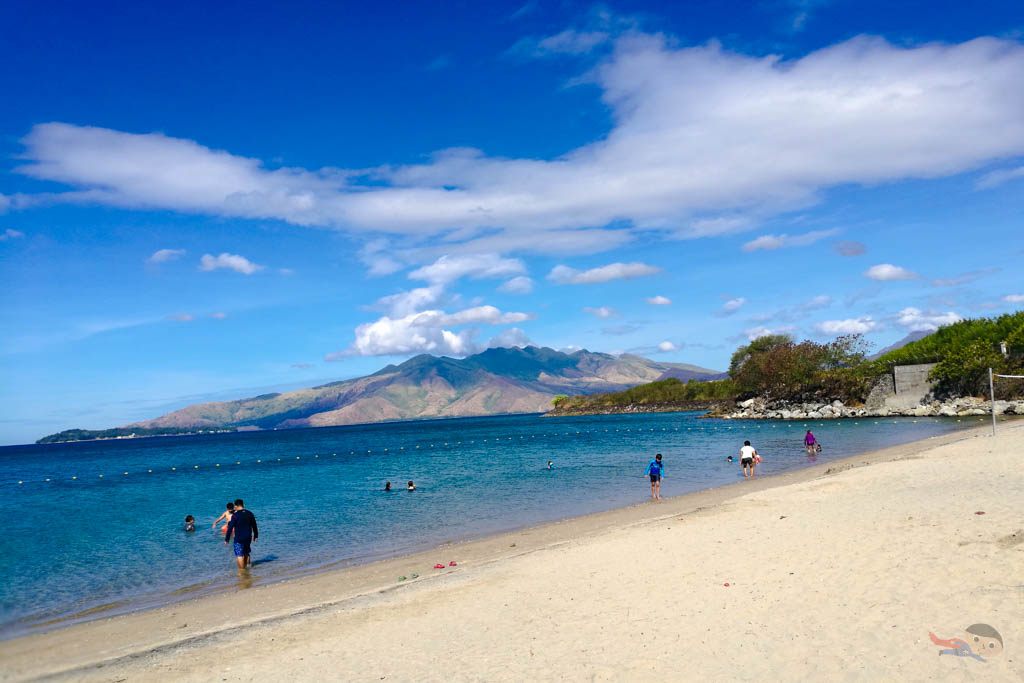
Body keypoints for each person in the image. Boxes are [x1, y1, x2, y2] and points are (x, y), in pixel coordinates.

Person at [224, 498, 258, 569]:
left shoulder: (235, 515)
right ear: (243, 505)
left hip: (239, 538)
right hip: (248, 537)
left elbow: (230, 528)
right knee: (246, 553)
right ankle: (249, 567)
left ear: (235, 506)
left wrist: (227, 539)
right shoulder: (250, 513)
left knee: (239, 555)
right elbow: (254, 525)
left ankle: (243, 572)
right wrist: (255, 535)